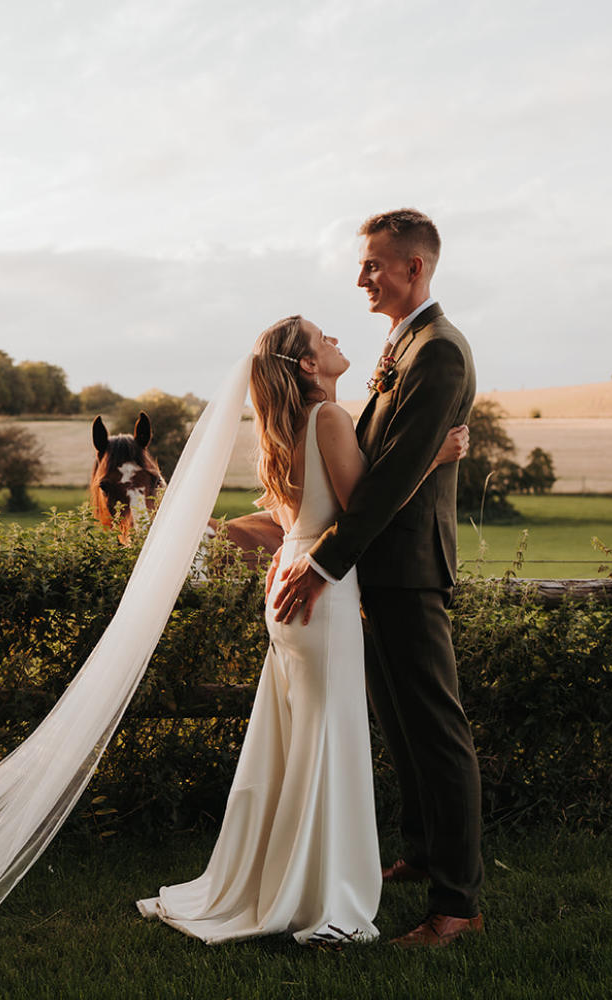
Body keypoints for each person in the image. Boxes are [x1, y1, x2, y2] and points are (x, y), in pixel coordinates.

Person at [138, 315, 465, 945]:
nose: (338, 339)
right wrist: (434, 458)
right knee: (328, 737)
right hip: (323, 593)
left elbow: (289, 520)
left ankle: (289, 878)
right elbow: (367, 508)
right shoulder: (330, 421)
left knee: (300, 736)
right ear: (309, 367)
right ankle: (326, 898)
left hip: (290, 583)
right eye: (324, 338)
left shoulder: (285, 430)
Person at [271, 209, 483, 947]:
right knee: (401, 725)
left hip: (409, 569)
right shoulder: (402, 344)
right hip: (375, 570)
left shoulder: (440, 353)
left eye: (373, 266)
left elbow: (389, 480)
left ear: (413, 269)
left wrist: (324, 562)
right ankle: (423, 856)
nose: (361, 277)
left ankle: (456, 905)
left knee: (436, 732)